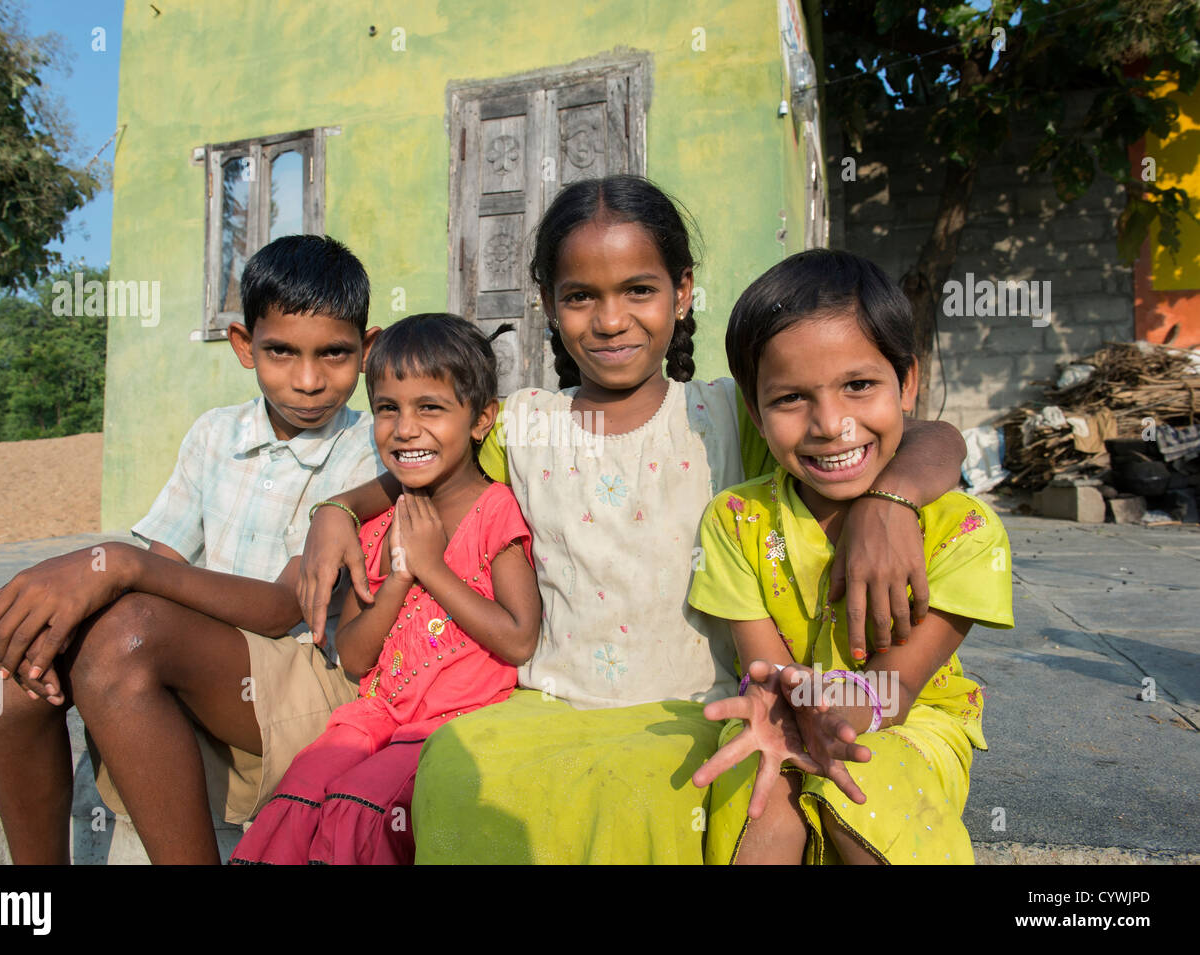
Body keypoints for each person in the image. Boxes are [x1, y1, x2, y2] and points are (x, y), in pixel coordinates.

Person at [299, 176, 969, 863]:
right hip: (550, 703)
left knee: (688, 798)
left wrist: (891, 502)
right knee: (457, 772)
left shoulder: (726, 411)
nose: (611, 319)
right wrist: (339, 508)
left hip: (698, 705)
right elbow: (426, 459)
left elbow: (933, 437)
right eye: (581, 295)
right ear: (548, 304)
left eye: (638, 290)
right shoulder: (526, 424)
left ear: (682, 292)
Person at [0, 234, 383, 864]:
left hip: (304, 678)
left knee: (129, 635)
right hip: (211, 660)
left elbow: (282, 608)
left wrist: (118, 563)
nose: (308, 381)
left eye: (334, 354)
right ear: (244, 346)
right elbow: (164, 562)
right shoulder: (213, 435)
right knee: (18, 656)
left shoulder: (371, 452)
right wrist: (73, 595)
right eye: (281, 351)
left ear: (368, 350)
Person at [688, 250, 1013, 864]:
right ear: (755, 414)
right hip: (782, 714)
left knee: (863, 797)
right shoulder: (736, 521)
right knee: (762, 798)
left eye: (859, 385)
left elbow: (896, 688)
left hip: (909, 723)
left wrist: (832, 716)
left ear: (907, 384)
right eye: (790, 399)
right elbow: (766, 672)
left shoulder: (962, 529)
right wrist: (788, 709)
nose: (832, 424)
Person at [229, 313, 539, 864]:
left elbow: (518, 640)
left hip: (455, 721)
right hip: (373, 713)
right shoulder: (376, 525)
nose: (405, 428)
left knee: (360, 800)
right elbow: (350, 657)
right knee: (302, 787)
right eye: (387, 409)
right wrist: (399, 575)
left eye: (431, 408)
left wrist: (431, 567)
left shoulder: (495, 511)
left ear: (481, 420)